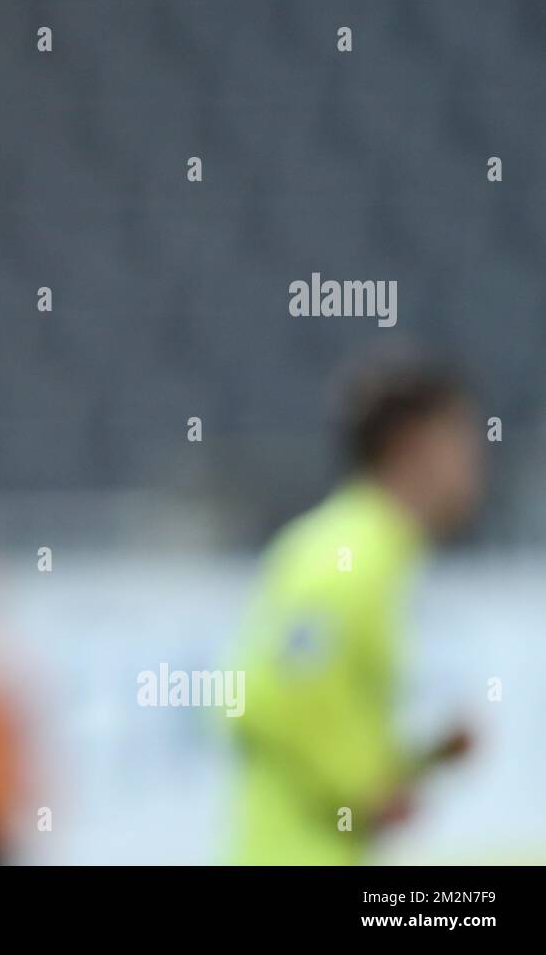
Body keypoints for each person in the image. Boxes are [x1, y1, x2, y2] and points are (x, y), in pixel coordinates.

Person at [226, 353, 480, 864]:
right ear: (416, 447)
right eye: (463, 445)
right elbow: (267, 692)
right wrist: (367, 787)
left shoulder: (373, 551)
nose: (474, 468)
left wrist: (423, 758)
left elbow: (319, 706)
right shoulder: (350, 554)